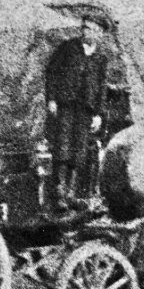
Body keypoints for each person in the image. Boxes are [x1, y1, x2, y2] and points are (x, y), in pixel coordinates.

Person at [44, 13, 115, 205]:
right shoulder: (68, 48)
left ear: (99, 33)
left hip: (86, 110)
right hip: (66, 105)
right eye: (84, 27)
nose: (85, 32)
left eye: (90, 29)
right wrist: (51, 99)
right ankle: (59, 192)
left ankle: (71, 192)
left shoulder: (101, 58)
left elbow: (101, 88)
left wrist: (99, 114)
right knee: (63, 146)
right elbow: (51, 72)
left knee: (80, 150)